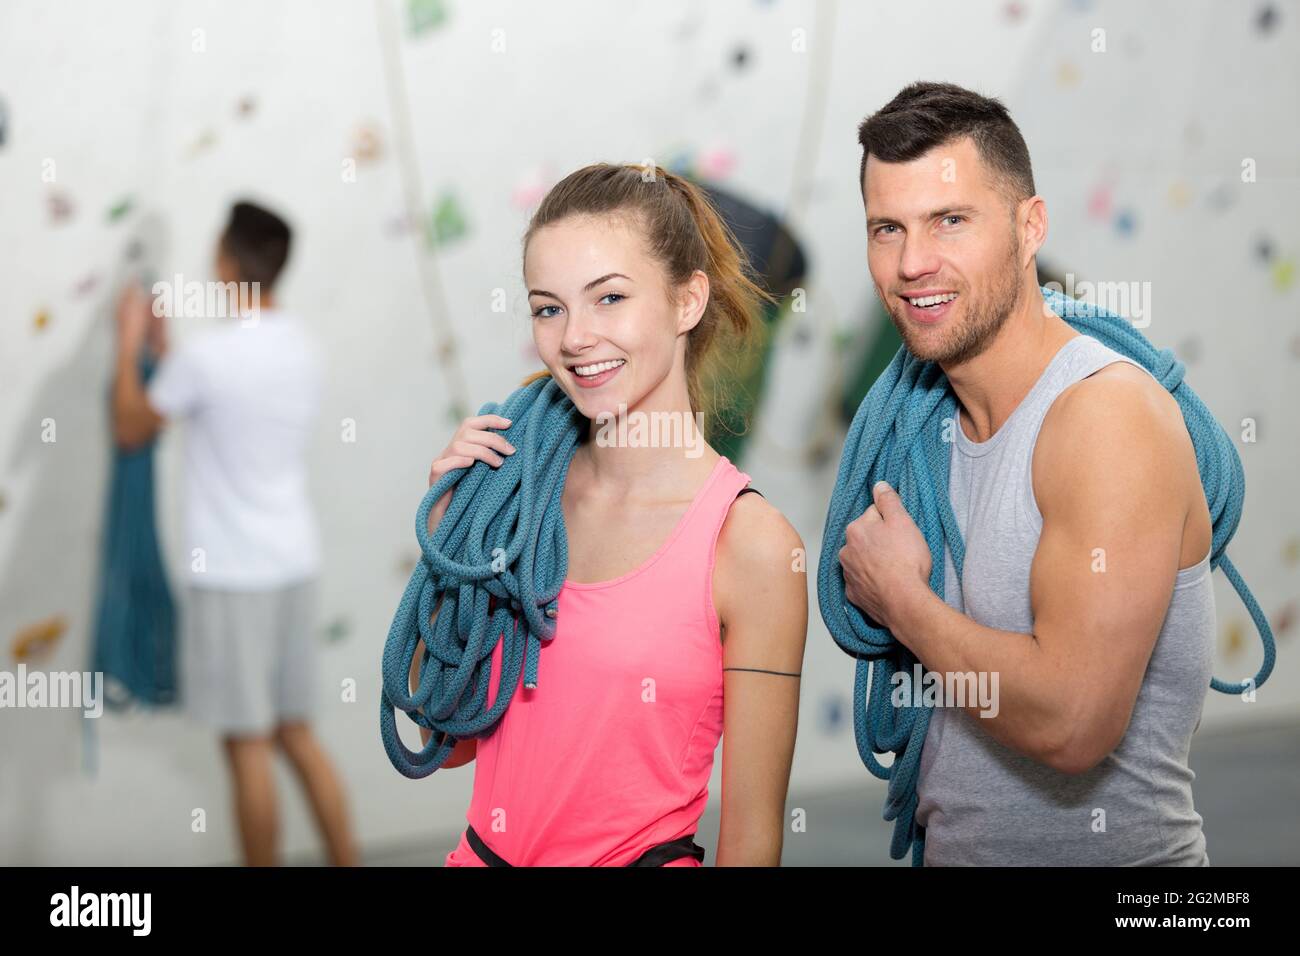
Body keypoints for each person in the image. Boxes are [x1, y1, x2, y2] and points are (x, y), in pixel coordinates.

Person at [836, 82, 1216, 865]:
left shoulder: (1105, 418)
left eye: (949, 221)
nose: (913, 263)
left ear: (1029, 225)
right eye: (887, 229)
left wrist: (903, 598)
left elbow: (1072, 723)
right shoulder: (921, 430)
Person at [412, 163, 808, 866]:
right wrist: (451, 542)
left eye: (610, 299)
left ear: (688, 302)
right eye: (548, 308)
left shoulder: (752, 547)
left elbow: (752, 841)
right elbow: (444, 746)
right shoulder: (513, 501)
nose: (575, 339)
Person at [112, 201, 357, 866]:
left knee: (247, 743)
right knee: (296, 733)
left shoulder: (210, 359)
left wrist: (130, 339)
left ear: (226, 261)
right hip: (292, 561)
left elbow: (132, 426)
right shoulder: (300, 348)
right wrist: (167, 354)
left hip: (232, 572)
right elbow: (209, 398)